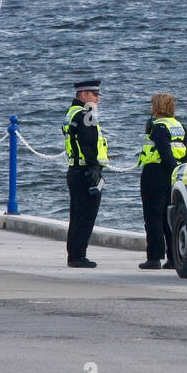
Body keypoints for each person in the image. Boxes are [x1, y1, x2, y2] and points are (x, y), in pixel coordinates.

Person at [136, 92, 187, 269]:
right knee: (169, 217)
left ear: (156, 107)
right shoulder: (179, 126)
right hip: (173, 175)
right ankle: (173, 258)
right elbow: (186, 152)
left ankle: (154, 258)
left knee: (153, 217)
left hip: (155, 173)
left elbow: (164, 152)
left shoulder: (158, 127)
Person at [63, 78, 109, 267]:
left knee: (76, 214)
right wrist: (94, 168)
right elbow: (88, 143)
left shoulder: (71, 112)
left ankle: (74, 253)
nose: (97, 98)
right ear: (83, 95)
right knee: (86, 215)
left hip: (74, 170)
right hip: (85, 171)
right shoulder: (86, 114)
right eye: (94, 94)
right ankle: (78, 256)